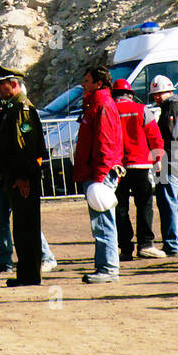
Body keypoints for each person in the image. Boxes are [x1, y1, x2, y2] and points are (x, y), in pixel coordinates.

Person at [0, 64, 48, 287]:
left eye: (1, 85)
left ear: (13, 84)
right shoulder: (11, 108)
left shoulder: (22, 108)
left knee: (27, 226)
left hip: (23, 178)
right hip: (14, 176)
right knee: (21, 227)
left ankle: (30, 274)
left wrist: (23, 177)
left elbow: (27, 147)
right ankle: (26, 273)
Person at [74, 66, 124, 283]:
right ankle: (104, 266)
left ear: (98, 83)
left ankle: (109, 269)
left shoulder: (102, 105)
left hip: (100, 173)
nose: (83, 84)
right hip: (95, 171)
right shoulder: (94, 104)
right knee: (100, 221)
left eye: (87, 80)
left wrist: (99, 177)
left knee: (103, 221)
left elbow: (106, 141)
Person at [113, 78, 166, 259]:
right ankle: (145, 244)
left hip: (117, 167)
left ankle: (125, 249)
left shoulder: (109, 111)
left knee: (120, 207)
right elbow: (154, 136)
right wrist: (158, 158)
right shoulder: (142, 109)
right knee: (144, 205)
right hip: (141, 165)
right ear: (131, 94)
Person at [149, 76, 178, 258]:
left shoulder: (171, 108)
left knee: (169, 204)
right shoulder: (175, 106)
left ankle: (173, 245)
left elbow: (171, 135)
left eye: (160, 93)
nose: (157, 97)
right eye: (155, 94)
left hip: (171, 162)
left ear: (170, 92)